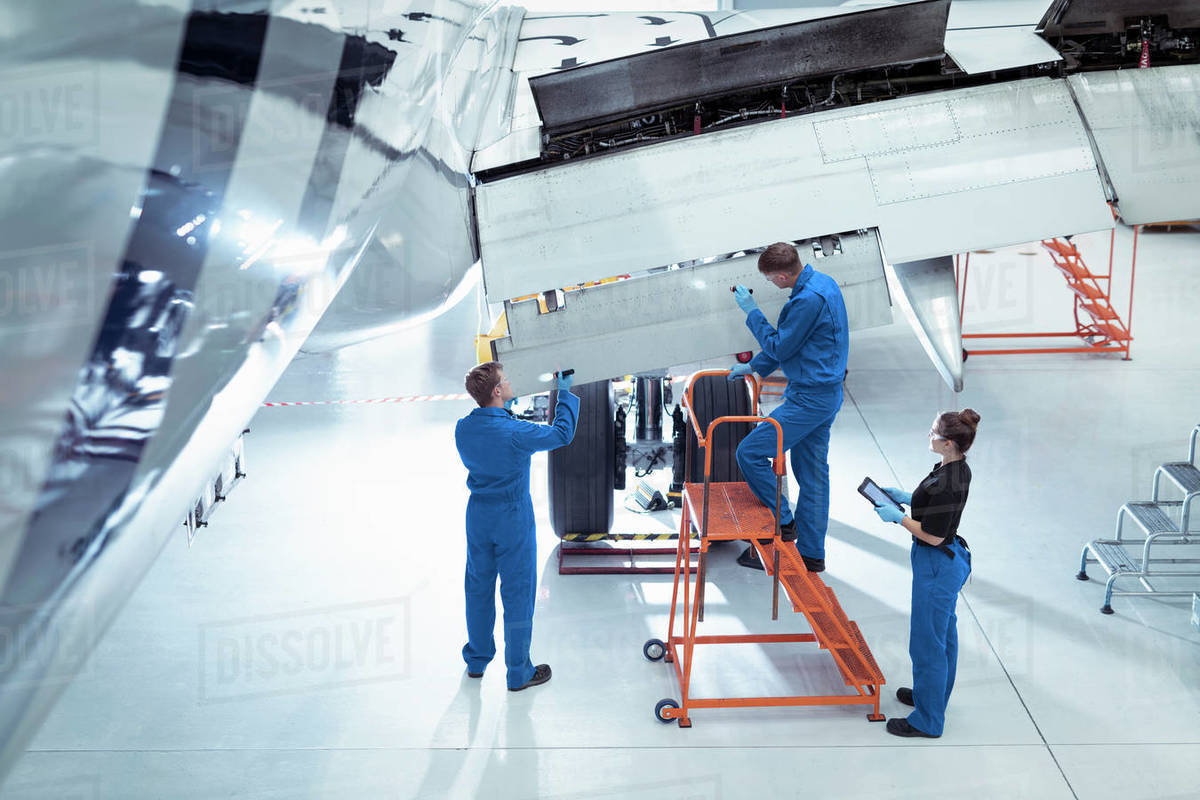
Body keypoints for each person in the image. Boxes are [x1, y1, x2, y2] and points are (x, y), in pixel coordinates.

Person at [454, 362, 578, 691]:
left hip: (479, 515)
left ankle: (477, 661)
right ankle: (518, 672)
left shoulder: (463, 429)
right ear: (496, 391)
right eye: (505, 381)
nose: (510, 383)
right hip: (512, 517)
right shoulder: (516, 433)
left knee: (478, 589)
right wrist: (563, 394)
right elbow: (561, 435)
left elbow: (490, 437)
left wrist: (505, 412)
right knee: (518, 593)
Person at [728, 242, 849, 573]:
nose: (770, 284)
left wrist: (751, 312)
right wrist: (755, 367)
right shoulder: (823, 284)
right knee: (812, 476)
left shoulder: (806, 301)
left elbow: (781, 345)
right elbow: (796, 342)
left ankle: (783, 521)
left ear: (782, 275)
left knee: (749, 452)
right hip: (824, 394)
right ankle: (812, 554)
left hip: (809, 400)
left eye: (770, 279)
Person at [874, 409, 981, 738]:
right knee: (943, 636)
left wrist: (897, 517)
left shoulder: (948, 482)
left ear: (948, 443)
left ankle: (927, 720)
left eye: (933, 433)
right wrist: (905, 498)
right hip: (947, 562)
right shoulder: (956, 467)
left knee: (927, 644)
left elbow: (933, 535)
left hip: (936, 563)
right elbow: (937, 507)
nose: (929, 436)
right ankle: (931, 697)